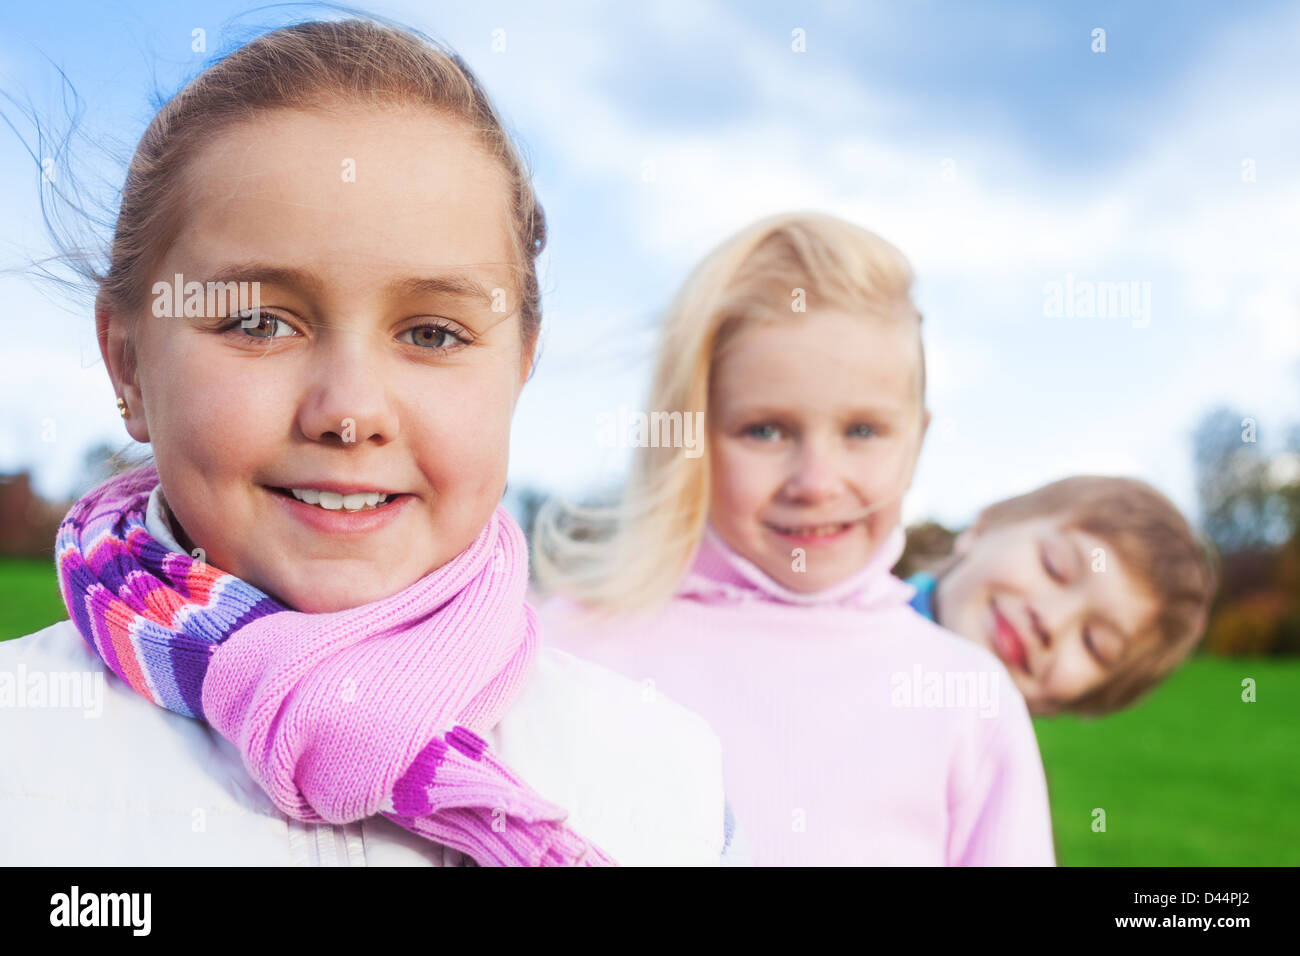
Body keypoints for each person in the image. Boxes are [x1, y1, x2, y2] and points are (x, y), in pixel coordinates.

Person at [0, 17, 744, 866]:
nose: (349, 413)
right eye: (259, 322)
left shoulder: (665, 779)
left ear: (520, 369)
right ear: (128, 364)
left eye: (431, 335)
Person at [533, 211, 1056, 865]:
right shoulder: (562, 650)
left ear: (916, 440)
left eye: (863, 431)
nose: (815, 482)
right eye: (766, 430)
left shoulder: (967, 698)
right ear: (689, 435)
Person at [901, 476, 1217, 716]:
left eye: (1094, 643)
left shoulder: (1001, 790)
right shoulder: (853, 614)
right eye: (1054, 566)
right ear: (981, 529)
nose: (1051, 621)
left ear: (1086, 700)